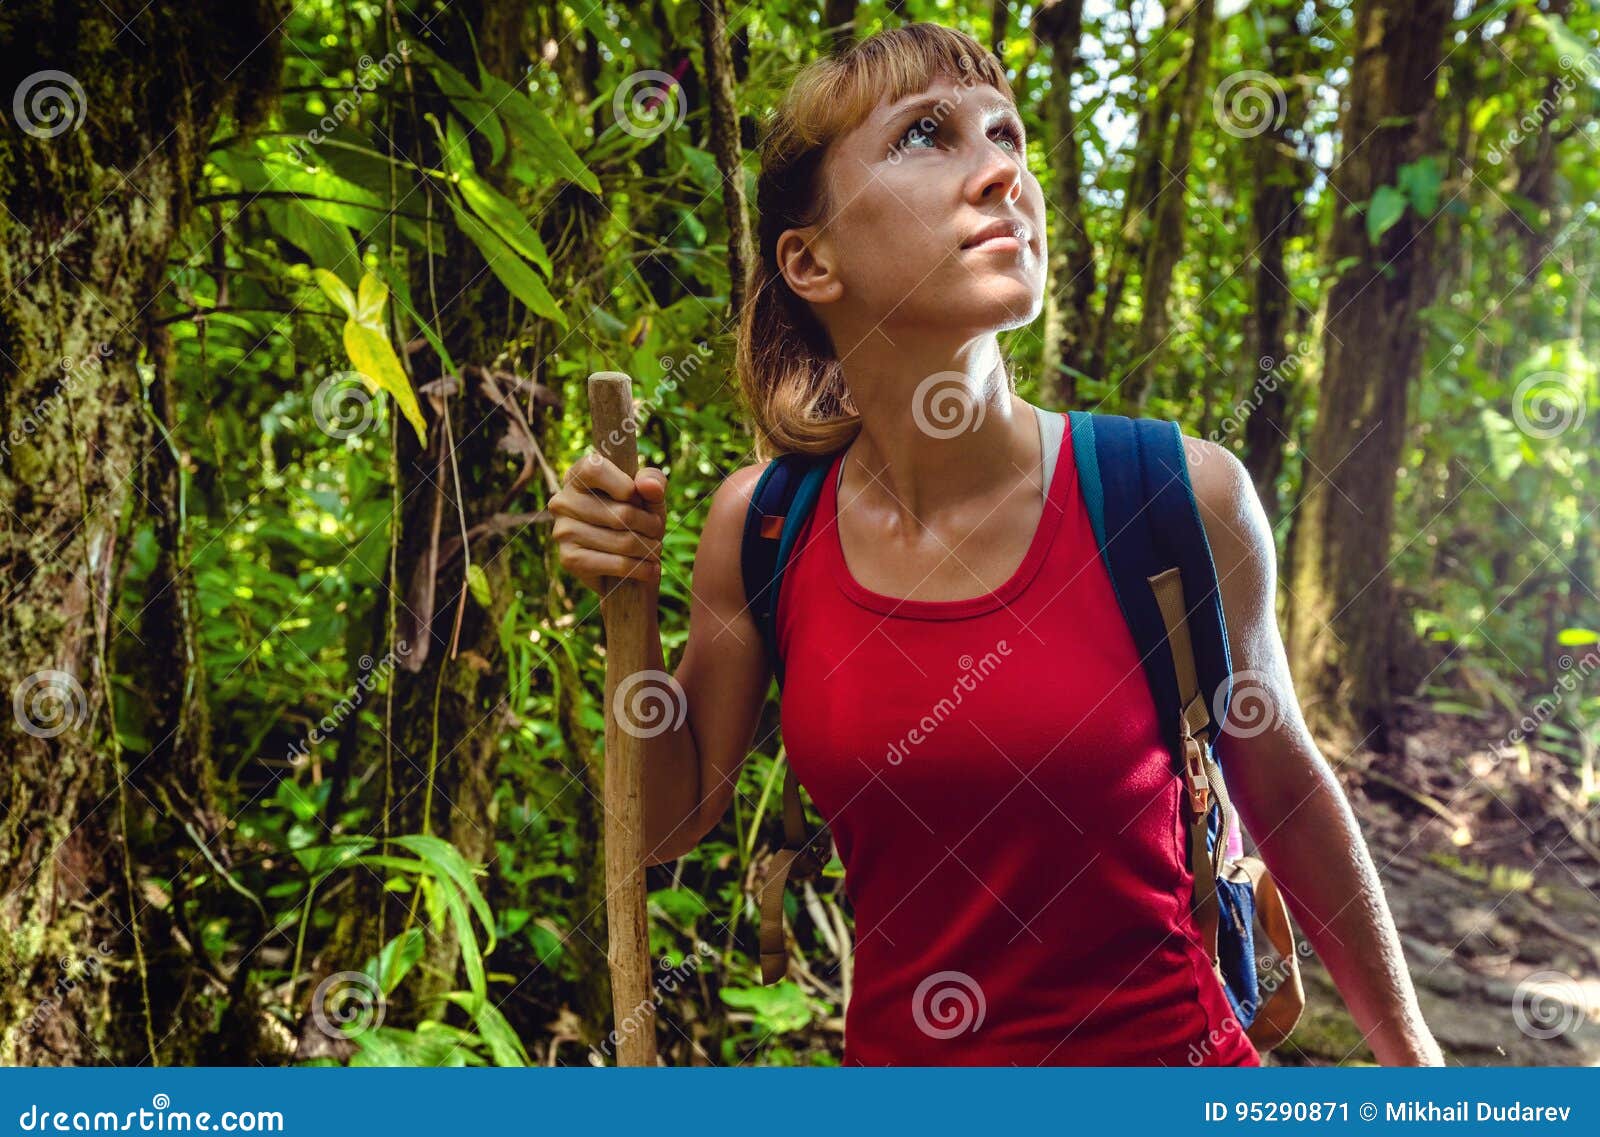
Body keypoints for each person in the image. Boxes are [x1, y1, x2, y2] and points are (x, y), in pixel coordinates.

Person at [546, 21, 1443, 1067]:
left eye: (1006, 134)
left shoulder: (1174, 495)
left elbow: (1285, 791)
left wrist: (1416, 1070)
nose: (1002, 172)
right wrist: (624, 598)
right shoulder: (764, 526)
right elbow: (666, 821)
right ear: (809, 259)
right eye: (925, 135)